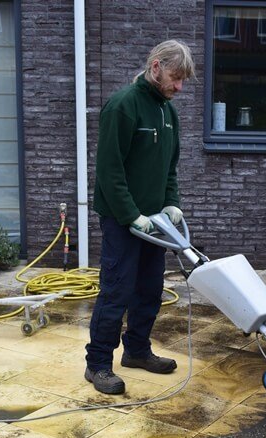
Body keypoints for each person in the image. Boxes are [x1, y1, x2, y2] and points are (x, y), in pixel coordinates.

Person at [84, 40, 195, 394]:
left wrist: (171, 204)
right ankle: (98, 364)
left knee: (149, 290)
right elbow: (109, 172)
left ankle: (137, 351)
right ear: (156, 66)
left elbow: (169, 170)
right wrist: (131, 215)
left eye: (183, 82)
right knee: (116, 291)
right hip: (122, 220)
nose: (179, 87)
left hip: (154, 224)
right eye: (175, 78)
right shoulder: (123, 106)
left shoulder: (168, 112)